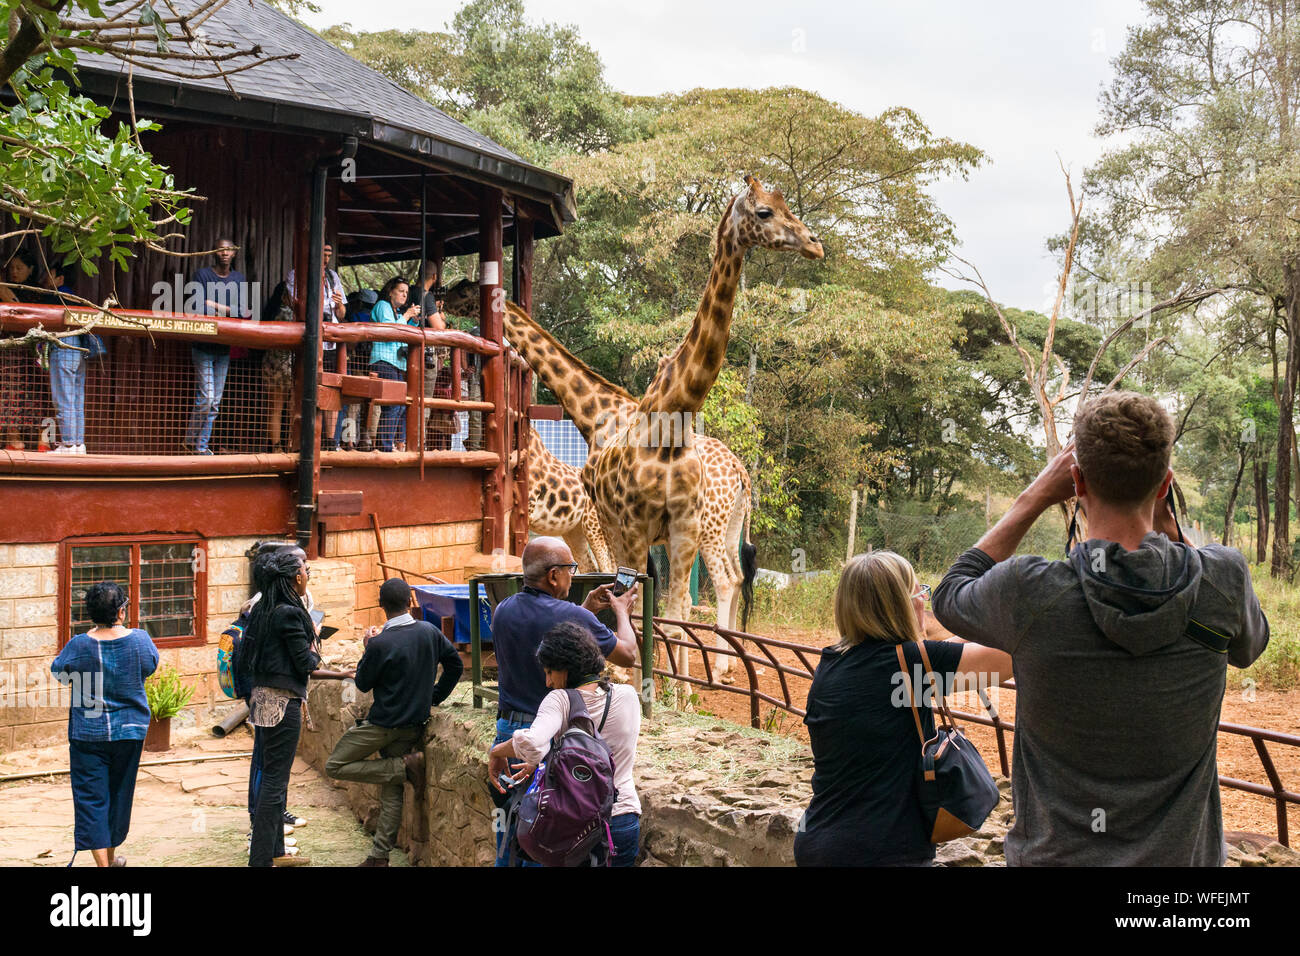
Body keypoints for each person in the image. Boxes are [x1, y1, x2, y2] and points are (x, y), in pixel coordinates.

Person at [932, 391, 1271, 866]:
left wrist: (1033, 496)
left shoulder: (1030, 593)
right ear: (1164, 485)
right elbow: (1249, 648)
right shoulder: (1222, 579)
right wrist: (1174, 540)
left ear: (1075, 481)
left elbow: (948, 593)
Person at [793, 551, 1010, 867]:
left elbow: (952, 650)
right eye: (919, 592)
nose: (923, 599)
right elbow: (1005, 660)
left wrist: (920, 628)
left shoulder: (832, 663)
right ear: (905, 604)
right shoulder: (909, 664)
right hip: (881, 852)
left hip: (819, 843)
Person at [487, 536, 640, 865]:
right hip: (546, 736)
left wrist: (583, 608)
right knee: (547, 836)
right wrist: (622, 612)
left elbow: (553, 634)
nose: (573, 575)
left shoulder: (503, 611)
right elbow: (628, 655)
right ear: (554, 575)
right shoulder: (570, 616)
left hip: (507, 730)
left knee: (511, 836)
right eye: (571, 569)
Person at [325, 578, 463, 866]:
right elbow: (455, 665)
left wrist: (367, 647)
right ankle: (379, 855)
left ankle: (404, 768)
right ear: (410, 603)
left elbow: (362, 683)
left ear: (381, 606)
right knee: (391, 787)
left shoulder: (380, 643)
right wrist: (434, 697)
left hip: (383, 726)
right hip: (413, 726)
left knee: (335, 765)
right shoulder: (429, 631)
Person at [51, 581, 159, 867]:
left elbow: (59, 672)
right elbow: (149, 666)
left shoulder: (79, 645)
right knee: (118, 794)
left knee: (92, 798)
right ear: (121, 612)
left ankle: (105, 864)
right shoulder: (140, 640)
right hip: (129, 731)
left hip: (88, 733)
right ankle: (108, 862)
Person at [244, 548, 320, 866]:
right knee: (275, 782)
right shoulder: (288, 613)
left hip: (262, 699)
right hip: (282, 703)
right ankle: (260, 859)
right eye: (305, 570)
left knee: (275, 779)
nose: (307, 575)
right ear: (295, 577)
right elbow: (306, 662)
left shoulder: (263, 609)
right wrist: (313, 645)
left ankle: (276, 852)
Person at [185, 239, 248, 455]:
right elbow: (196, 306)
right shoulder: (202, 275)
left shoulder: (238, 278)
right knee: (207, 398)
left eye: (229, 249)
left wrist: (214, 305)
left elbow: (243, 311)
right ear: (214, 252)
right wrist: (225, 308)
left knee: (215, 403)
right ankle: (190, 440)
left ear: (234, 253)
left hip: (224, 347)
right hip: (202, 344)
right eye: (221, 249)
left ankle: (200, 447)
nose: (224, 252)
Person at [287, 241, 346, 450]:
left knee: (332, 391)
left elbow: (342, 314)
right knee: (305, 389)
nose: (326, 259)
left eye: (329, 255)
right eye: (323, 254)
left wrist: (339, 303)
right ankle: (303, 440)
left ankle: (330, 442)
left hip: (331, 344)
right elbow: (297, 306)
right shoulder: (297, 275)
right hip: (309, 341)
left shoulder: (333, 277)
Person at [41, 262, 92, 455]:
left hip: (63, 348)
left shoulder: (56, 296)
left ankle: (68, 444)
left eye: (49, 274)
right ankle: (78, 444)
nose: (45, 278)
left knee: (63, 398)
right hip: (78, 348)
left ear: (59, 279)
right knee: (76, 399)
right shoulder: (75, 297)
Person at [366, 276, 420, 452]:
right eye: (401, 291)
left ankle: (390, 444)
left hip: (396, 363)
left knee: (400, 405)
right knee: (393, 404)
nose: (404, 295)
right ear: (390, 292)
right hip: (383, 361)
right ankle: (384, 447)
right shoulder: (382, 306)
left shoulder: (397, 312)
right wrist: (407, 315)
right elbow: (391, 331)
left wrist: (414, 320)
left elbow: (403, 330)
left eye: (406, 292)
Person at [1, 249, 44, 451]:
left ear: (31, 270)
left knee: (35, 392)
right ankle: (14, 438)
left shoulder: (38, 291)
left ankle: (41, 440)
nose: (14, 272)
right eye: (11, 268)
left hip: (31, 351)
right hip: (9, 351)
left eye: (19, 268)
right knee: (10, 390)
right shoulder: (5, 288)